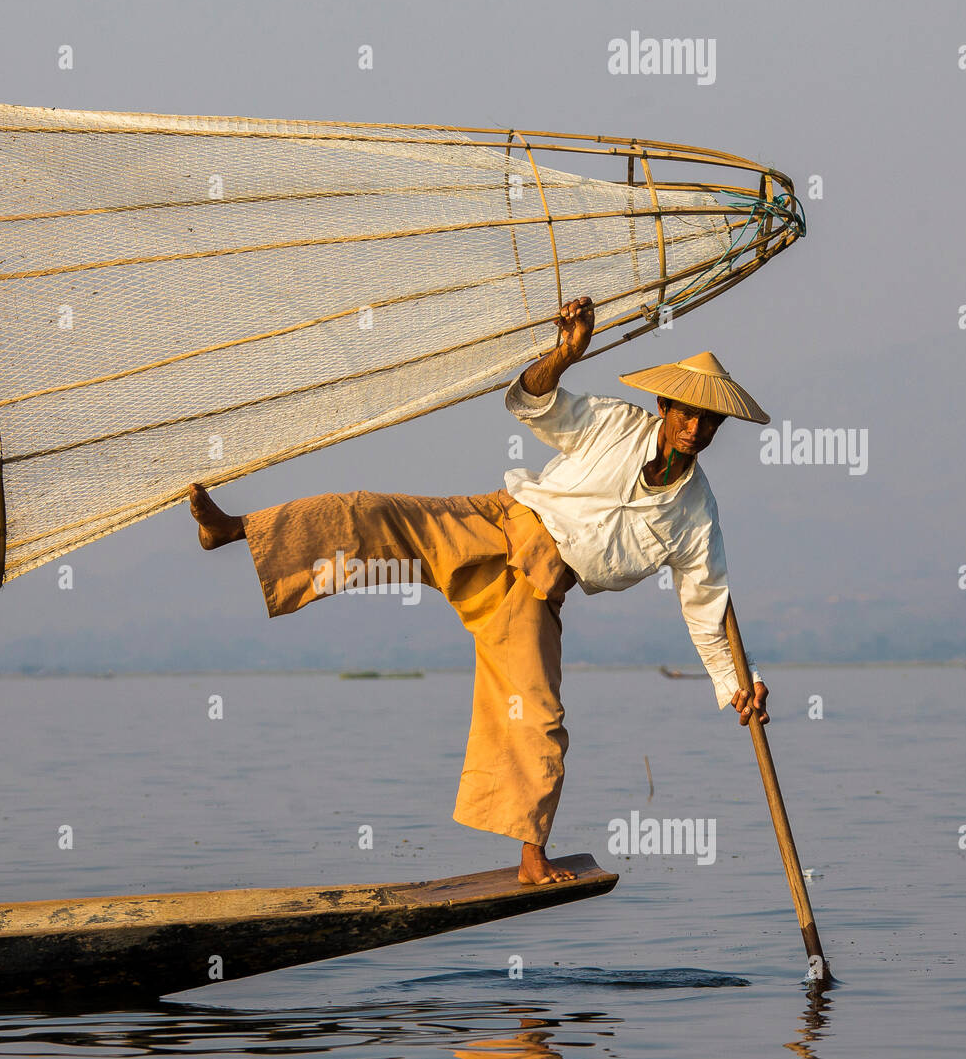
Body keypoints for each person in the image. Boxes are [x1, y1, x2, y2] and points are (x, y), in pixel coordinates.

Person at [188, 295, 769, 885]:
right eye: (687, 414)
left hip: (538, 590)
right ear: (665, 406)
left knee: (538, 716)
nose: (695, 429)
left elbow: (706, 606)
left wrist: (735, 688)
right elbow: (533, 403)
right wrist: (563, 357)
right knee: (374, 515)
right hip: (496, 522)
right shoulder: (617, 423)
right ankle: (235, 529)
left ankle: (530, 856)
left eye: (709, 421)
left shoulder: (696, 514)